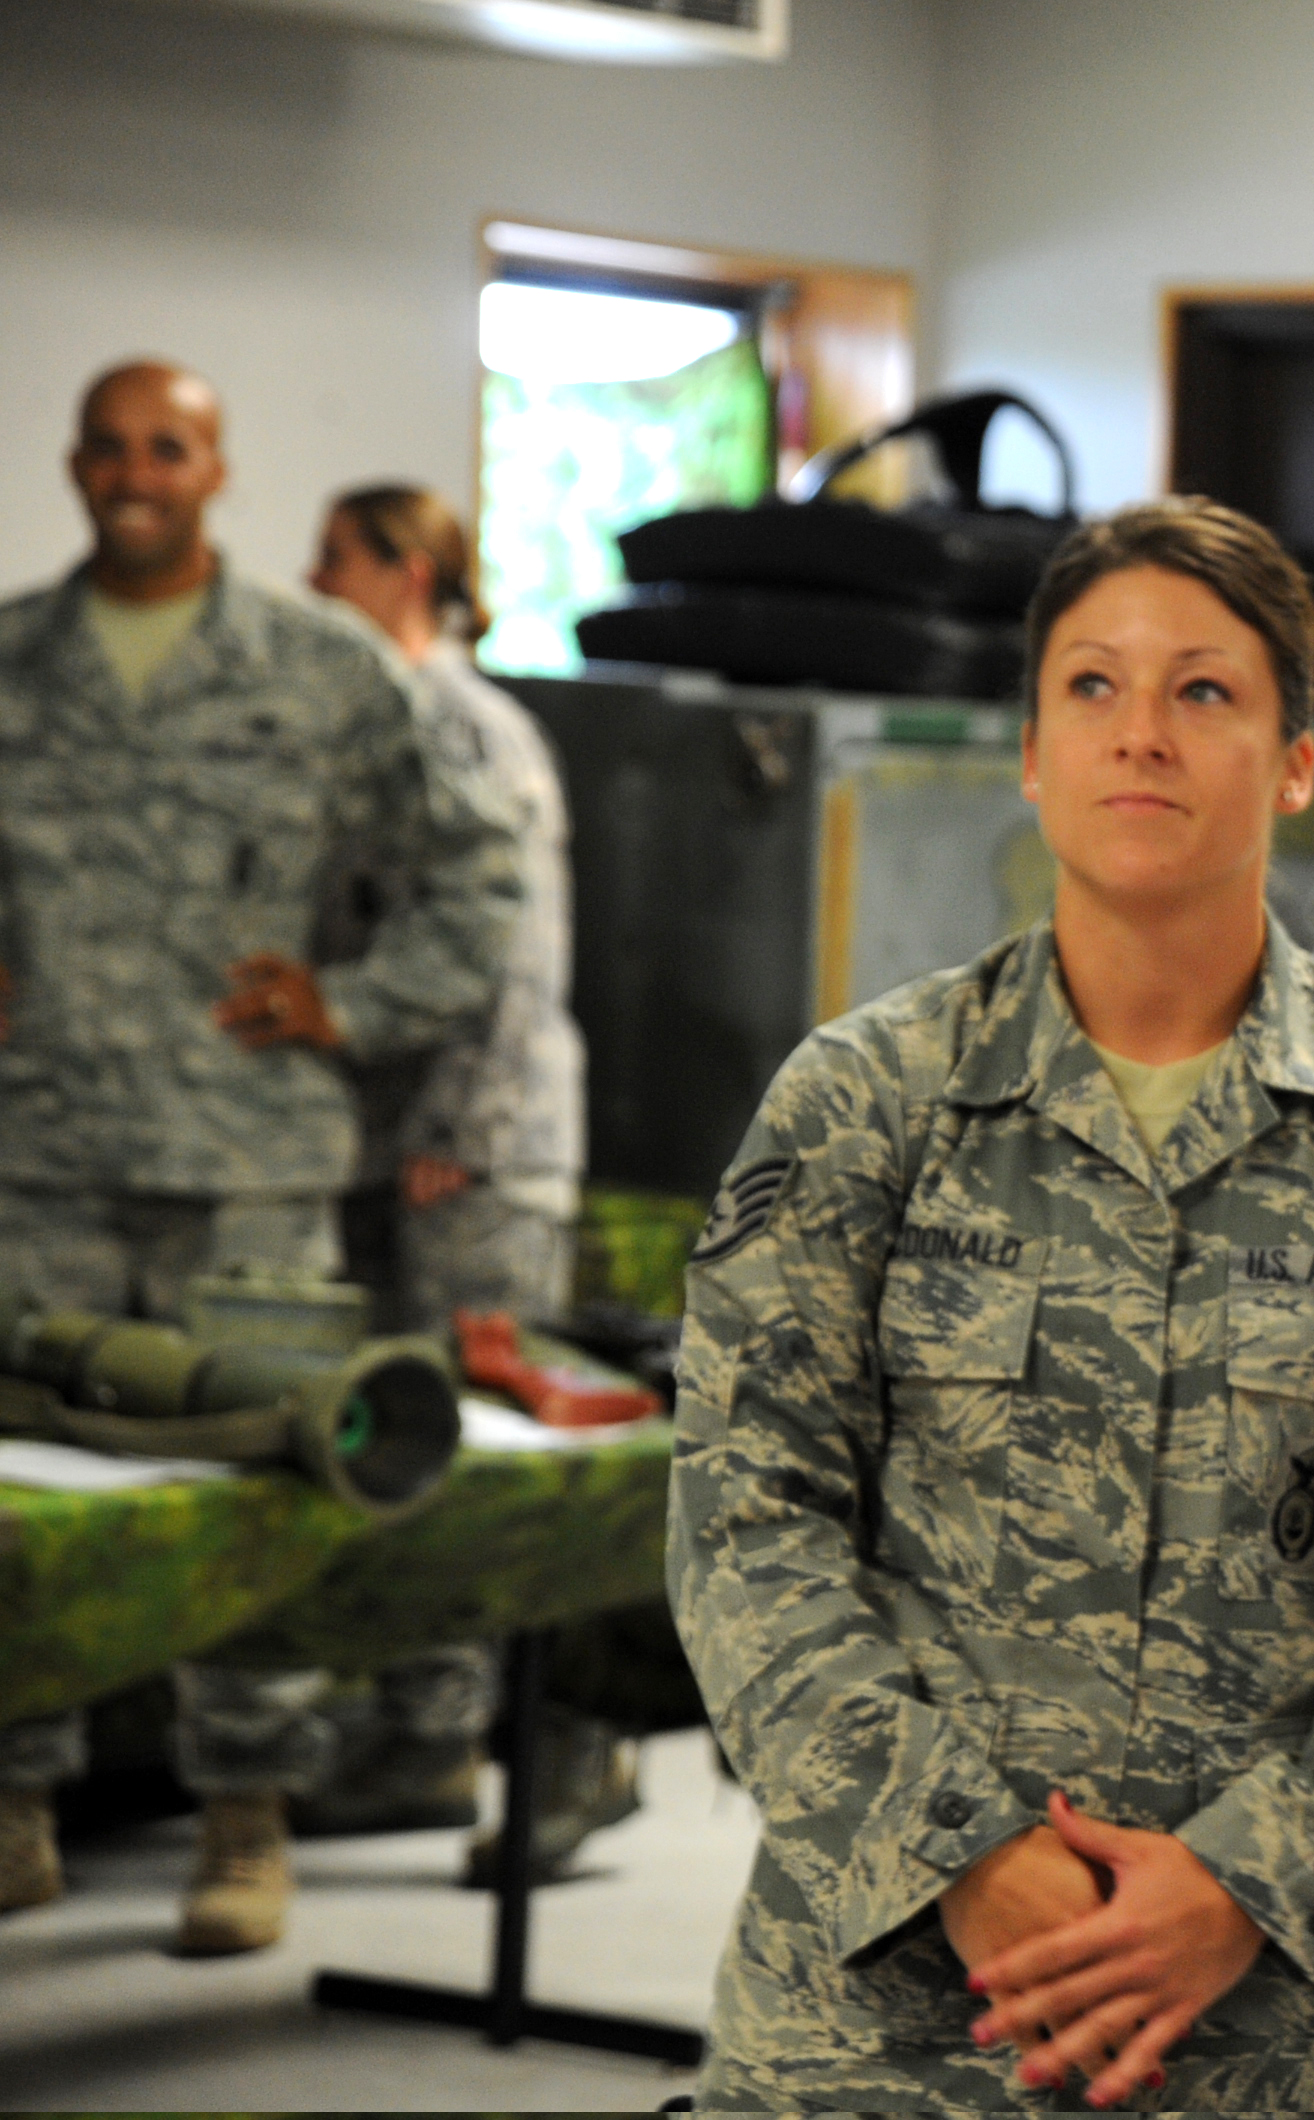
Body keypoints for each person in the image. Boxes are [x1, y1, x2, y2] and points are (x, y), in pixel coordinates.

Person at [668, 496, 1314, 2113]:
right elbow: (746, 1519)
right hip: (880, 2021)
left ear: (1299, 763)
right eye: (1092, 686)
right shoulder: (868, 1102)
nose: (1140, 734)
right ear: (1029, 750)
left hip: (1267, 2028)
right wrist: (967, 1857)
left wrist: (1245, 1887)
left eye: (1204, 691)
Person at [0, 362, 523, 1954]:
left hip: (249, 1166)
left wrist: (351, 1005)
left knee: (250, 1491)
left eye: (171, 446)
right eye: (113, 446)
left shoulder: (322, 669)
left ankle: (244, 1815)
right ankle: (17, 1802)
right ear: (76, 464)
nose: (137, 472)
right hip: (43, 1156)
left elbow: (474, 877)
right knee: (19, 1499)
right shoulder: (13, 659)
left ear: (215, 468)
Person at [292, 482, 629, 1878]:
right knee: (411, 1451)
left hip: (469, 1146)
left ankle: (574, 1746)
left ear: (410, 570)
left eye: (335, 555)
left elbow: (509, 954)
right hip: (392, 1141)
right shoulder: (372, 717)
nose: (309, 576)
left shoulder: (463, 722)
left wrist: (456, 1124)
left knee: (501, 1455)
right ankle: (428, 1737)